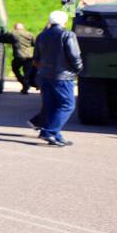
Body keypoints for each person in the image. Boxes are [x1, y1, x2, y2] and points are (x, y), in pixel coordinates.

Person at [31, 10, 82, 146]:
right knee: (67, 105)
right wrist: (78, 69)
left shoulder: (41, 36)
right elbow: (74, 56)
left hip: (44, 75)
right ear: (64, 22)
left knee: (51, 105)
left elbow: (36, 57)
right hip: (62, 76)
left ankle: (54, 134)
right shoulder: (67, 34)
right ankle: (50, 132)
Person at [7, 22, 37, 93]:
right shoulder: (30, 34)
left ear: (15, 28)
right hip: (29, 57)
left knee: (15, 69)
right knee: (27, 73)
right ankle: (26, 85)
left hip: (18, 57)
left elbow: (6, 39)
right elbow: (35, 44)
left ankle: (25, 84)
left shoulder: (13, 34)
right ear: (23, 28)